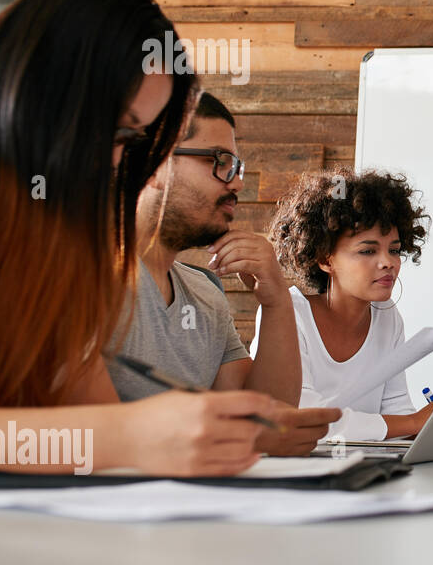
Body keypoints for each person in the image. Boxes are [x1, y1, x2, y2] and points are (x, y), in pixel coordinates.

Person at [0, 0, 281, 476]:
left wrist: (167, 438)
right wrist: (130, 435)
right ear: (43, 92)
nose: (116, 164)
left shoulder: (57, 244)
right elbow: (101, 435)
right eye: (120, 131)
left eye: (134, 142)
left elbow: (82, 424)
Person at [105, 92, 340, 456]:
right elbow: (87, 430)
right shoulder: (83, 279)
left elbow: (267, 416)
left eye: (236, 166)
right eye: (219, 161)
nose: (236, 183)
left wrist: (276, 299)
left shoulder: (204, 293)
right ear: (153, 165)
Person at [267, 168, 433, 441]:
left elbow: (398, 411)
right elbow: (305, 420)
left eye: (394, 249)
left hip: (365, 473)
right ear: (325, 259)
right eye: (367, 251)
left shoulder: (387, 316)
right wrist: (415, 422)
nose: (388, 262)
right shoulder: (286, 313)